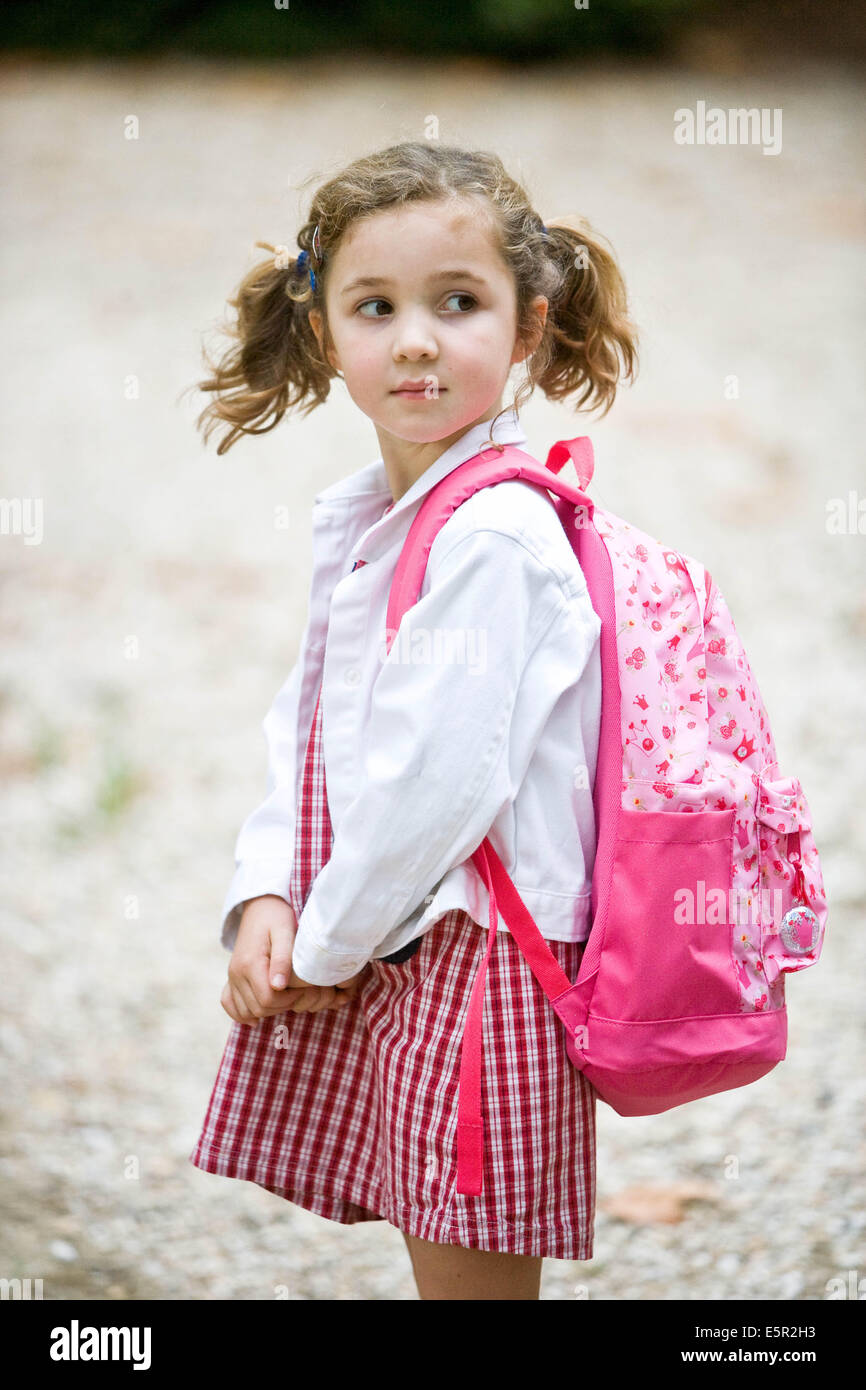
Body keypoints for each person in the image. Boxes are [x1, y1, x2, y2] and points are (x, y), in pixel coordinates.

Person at [187, 140, 638, 1300]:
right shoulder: (372, 517)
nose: (419, 339)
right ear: (326, 332)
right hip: (392, 937)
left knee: (472, 1283)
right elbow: (310, 727)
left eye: (458, 302)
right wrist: (266, 893)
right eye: (375, 307)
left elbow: (436, 790)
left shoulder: (490, 536)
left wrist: (320, 951)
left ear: (527, 327)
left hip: (478, 958)